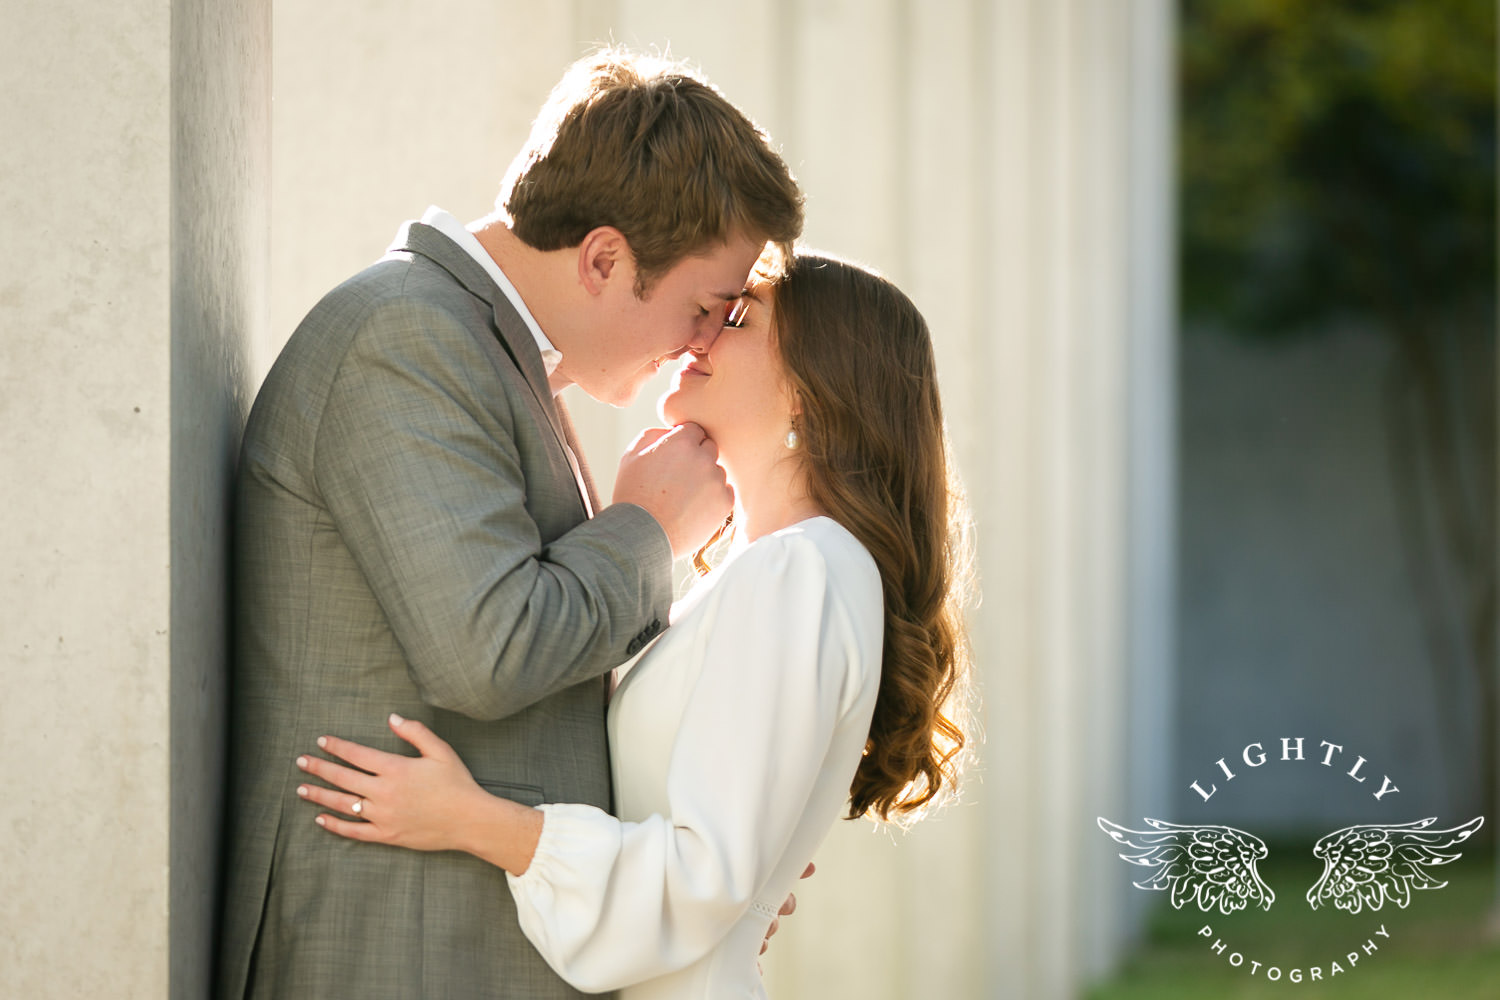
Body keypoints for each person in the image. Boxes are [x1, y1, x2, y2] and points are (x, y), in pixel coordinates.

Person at [217, 49, 803, 1000]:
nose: (703, 342)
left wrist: (720, 868)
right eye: (706, 306)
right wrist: (647, 529)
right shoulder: (405, 338)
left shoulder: (488, 355)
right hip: (391, 946)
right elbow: (490, 650)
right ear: (605, 258)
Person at [294, 251, 974, 998]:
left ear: (813, 392)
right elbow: (721, 870)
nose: (705, 333)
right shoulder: (773, 573)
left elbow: (703, 876)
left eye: (741, 317)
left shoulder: (801, 571)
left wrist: (467, 819)